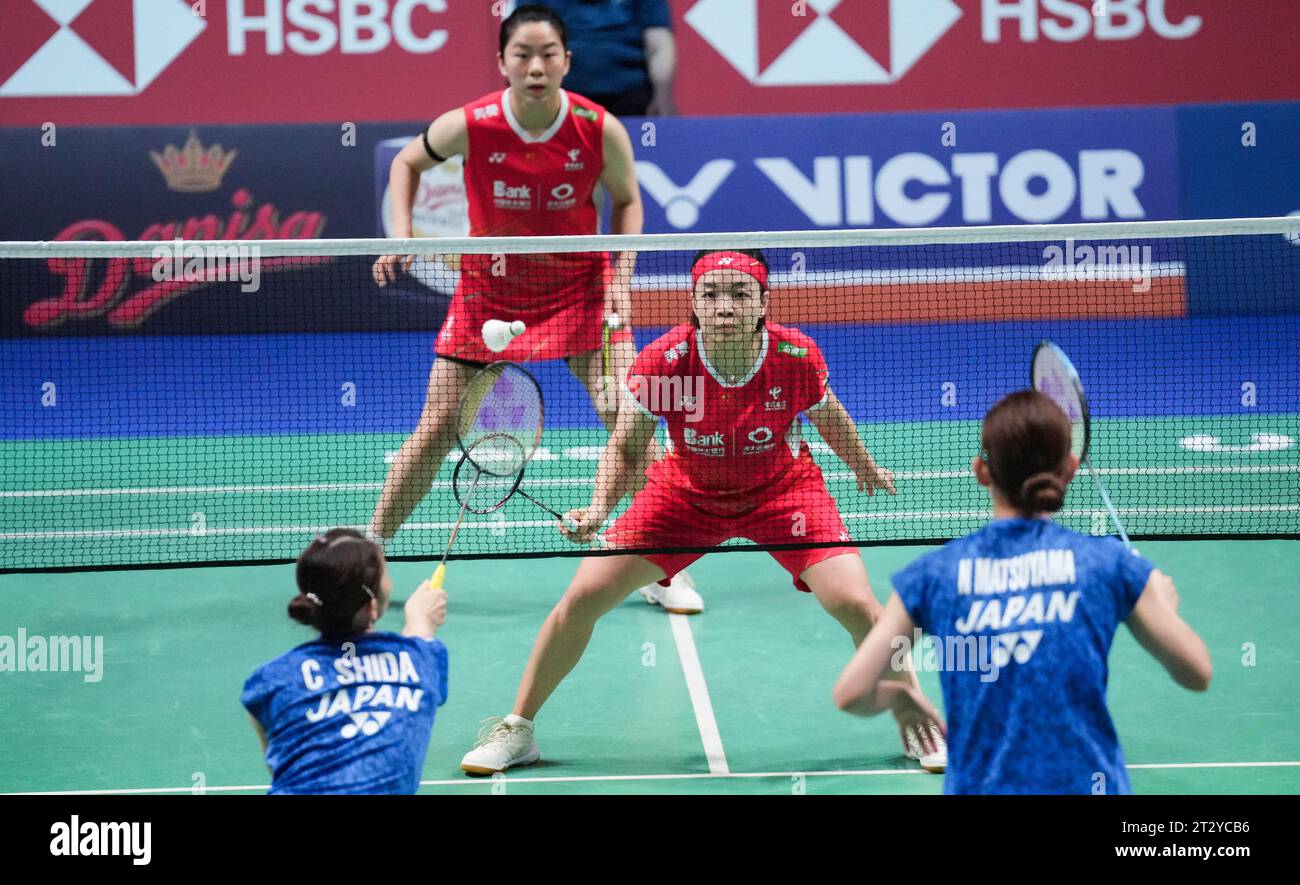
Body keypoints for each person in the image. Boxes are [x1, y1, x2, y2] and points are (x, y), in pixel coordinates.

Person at [458, 248, 948, 775]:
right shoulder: (664, 362)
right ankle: (519, 730)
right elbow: (626, 447)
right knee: (581, 598)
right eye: (711, 294)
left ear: (764, 302)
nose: (725, 306)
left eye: (740, 294)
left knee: (858, 605)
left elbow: (827, 414)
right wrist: (600, 507)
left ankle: (913, 716)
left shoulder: (796, 355)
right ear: (692, 302)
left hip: (784, 494)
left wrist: (864, 466)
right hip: (683, 497)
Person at [371, 3, 702, 614]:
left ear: (567, 61)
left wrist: (620, 279)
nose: (535, 65)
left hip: (581, 291)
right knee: (435, 434)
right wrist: (401, 231)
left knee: (628, 419)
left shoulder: (597, 126)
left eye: (548, 53)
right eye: (522, 54)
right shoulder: (472, 124)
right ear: (502, 62)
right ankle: (369, 559)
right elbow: (406, 163)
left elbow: (627, 203)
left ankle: (661, 565)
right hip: (488, 296)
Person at [832, 390, 1213, 794]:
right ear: (1069, 467)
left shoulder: (933, 575)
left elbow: (851, 693)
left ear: (981, 471)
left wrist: (903, 699)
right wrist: (1162, 605)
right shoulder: (1107, 564)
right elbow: (1197, 673)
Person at [241, 529, 449, 794]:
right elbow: (417, 641)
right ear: (372, 606)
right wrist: (421, 619)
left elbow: (283, 768)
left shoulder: (267, 682)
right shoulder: (422, 660)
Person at [525, 0, 677, 116]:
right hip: (559, 94)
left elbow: (659, 45)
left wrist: (662, 98)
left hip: (631, 96)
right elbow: (524, 43)